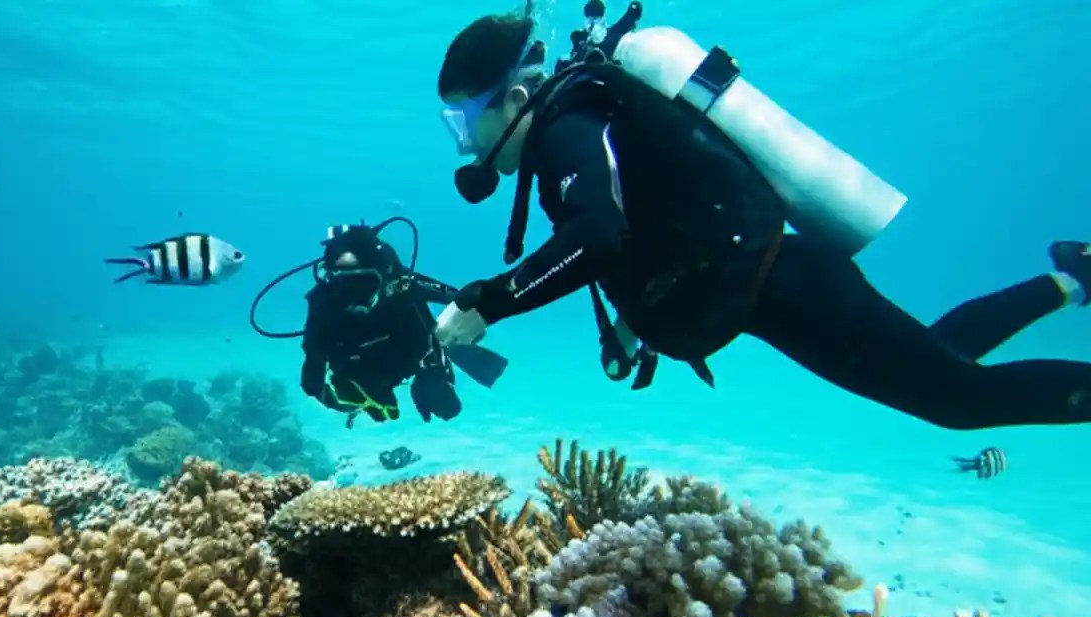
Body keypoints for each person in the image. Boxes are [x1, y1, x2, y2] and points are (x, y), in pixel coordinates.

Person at [431, 6, 1091, 430]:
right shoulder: (578, 119)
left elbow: (599, 237)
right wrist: (636, 324)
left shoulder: (564, 129)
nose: (463, 142)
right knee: (945, 366)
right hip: (782, 282)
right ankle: (1069, 283)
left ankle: (1070, 286)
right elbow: (652, 222)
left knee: (959, 401)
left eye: (462, 121)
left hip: (787, 285)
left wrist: (488, 302)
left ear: (513, 98)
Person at [250, 218, 508, 426]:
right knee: (358, 394)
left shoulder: (403, 283)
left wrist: (466, 333)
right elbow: (311, 377)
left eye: (364, 283)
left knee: (447, 407)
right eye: (345, 285)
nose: (356, 294)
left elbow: (461, 300)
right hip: (364, 372)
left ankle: (434, 371)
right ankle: (371, 394)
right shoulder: (322, 303)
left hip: (417, 358)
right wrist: (340, 403)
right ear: (331, 280)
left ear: (384, 275)